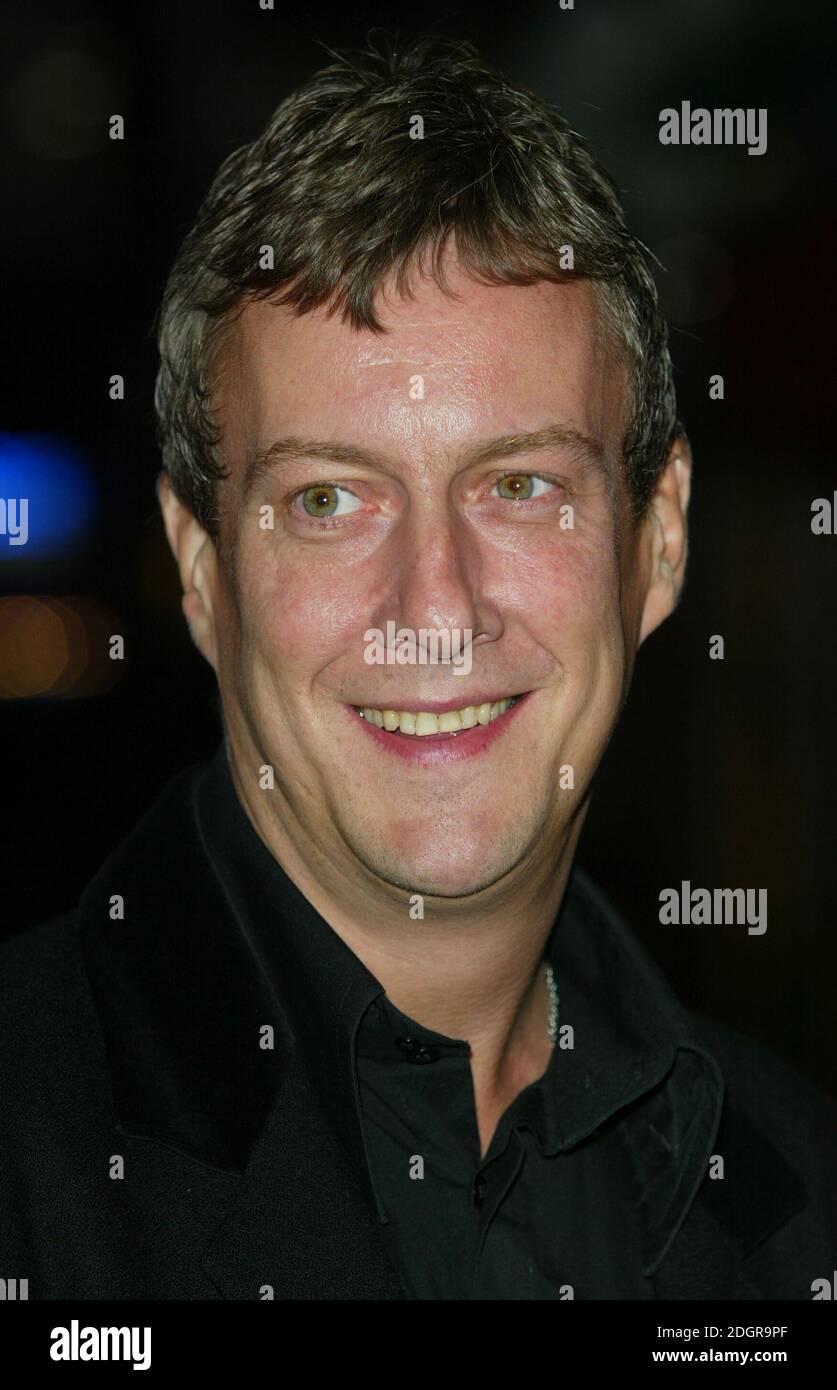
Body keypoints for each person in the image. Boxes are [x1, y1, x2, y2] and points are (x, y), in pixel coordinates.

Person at [2, 34, 834, 1301]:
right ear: (202, 570)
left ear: (658, 543)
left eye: (520, 485)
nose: (435, 607)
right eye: (330, 499)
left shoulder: (802, 1197)